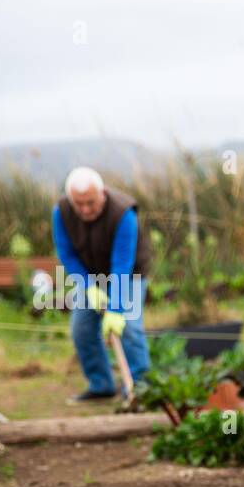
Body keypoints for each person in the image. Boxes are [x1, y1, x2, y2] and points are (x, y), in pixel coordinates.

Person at [52, 166, 152, 401]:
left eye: (90, 203)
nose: (85, 209)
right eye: (79, 204)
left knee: (129, 326)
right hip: (90, 276)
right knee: (81, 329)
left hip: (128, 274)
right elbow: (66, 255)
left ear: (102, 193)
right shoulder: (61, 212)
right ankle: (101, 385)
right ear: (71, 200)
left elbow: (122, 263)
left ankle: (140, 388)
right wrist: (88, 286)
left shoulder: (123, 213)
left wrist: (116, 308)